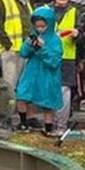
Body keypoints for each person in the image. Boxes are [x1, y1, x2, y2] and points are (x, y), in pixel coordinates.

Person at [14, 7, 64, 136]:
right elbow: (23, 53)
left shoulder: (55, 40)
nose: (40, 29)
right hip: (31, 71)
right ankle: (24, 122)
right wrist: (29, 45)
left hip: (47, 74)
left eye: (43, 26)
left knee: (47, 102)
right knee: (22, 95)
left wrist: (42, 49)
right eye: (37, 26)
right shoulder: (33, 36)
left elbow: (54, 61)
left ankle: (48, 128)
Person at [49, 0, 84, 131]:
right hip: (49, 55)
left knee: (64, 90)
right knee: (50, 89)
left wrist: (77, 34)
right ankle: (49, 123)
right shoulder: (47, 11)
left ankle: (61, 124)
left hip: (67, 56)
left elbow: (82, 37)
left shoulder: (75, 12)